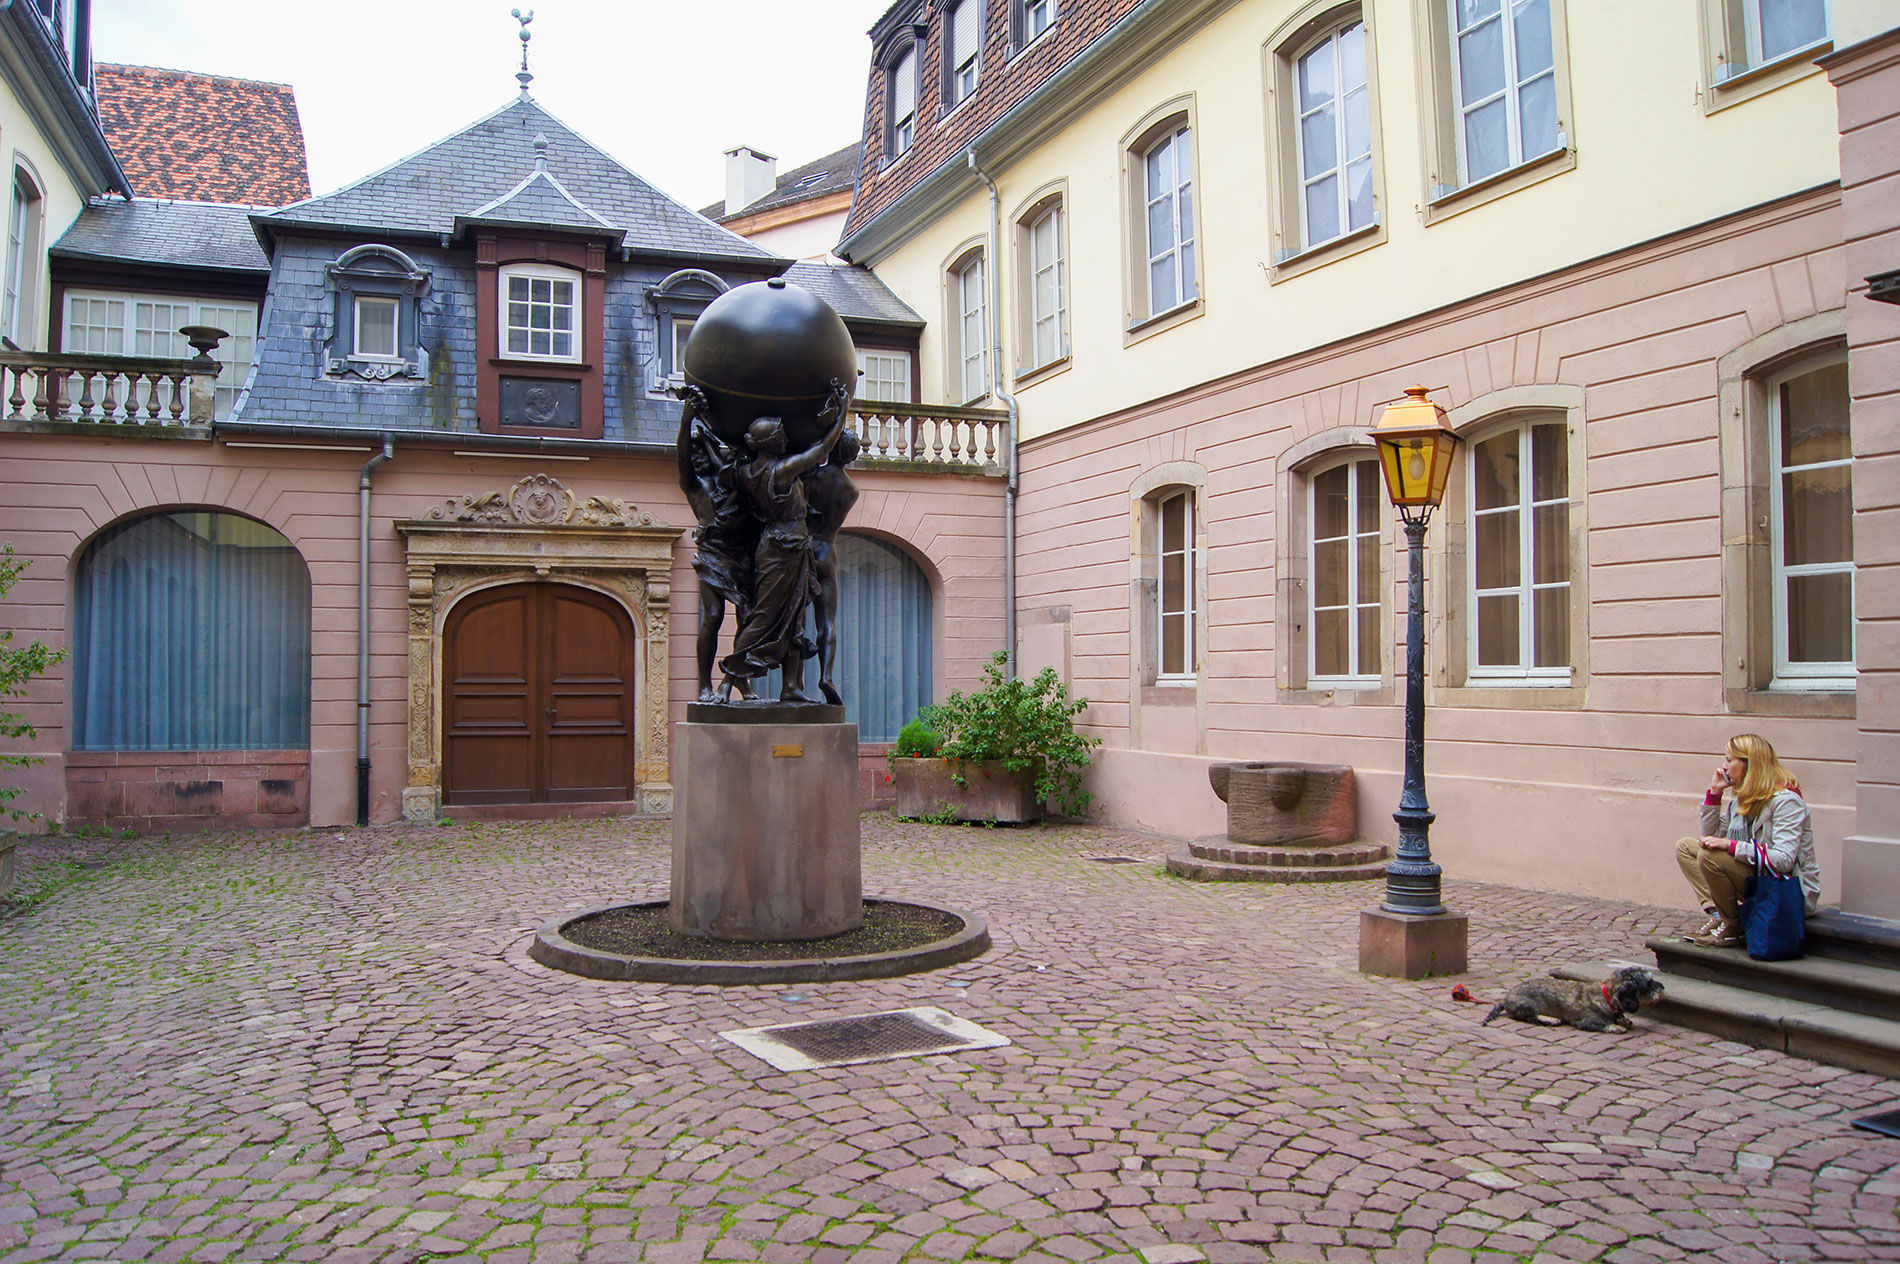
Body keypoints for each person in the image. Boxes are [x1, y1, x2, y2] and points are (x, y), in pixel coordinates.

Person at [716, 380, 852, 701]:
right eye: (780, 435)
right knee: (764, 617)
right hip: (785, 547)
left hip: (784, 546)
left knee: (794, 617)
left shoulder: (746, 471)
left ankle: (791, 687)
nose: (786, 437)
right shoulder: (783, 470)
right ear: (769, 443)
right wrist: (843, 410)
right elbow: (823, 449)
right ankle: (727, 682)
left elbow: (724, 474)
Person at [1674, 733, 1819, 947]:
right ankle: (1718, 915)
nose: (1723, 767)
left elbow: (1784, 860)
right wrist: (1715, 793)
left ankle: (1734, 927)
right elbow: (1709, 837)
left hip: (1785, 889)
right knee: (1686, 847)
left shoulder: (1786, 801)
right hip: (1755, 877)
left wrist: (1731, 846)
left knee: (1710, 857)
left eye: (1729, 760)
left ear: (1748, 764)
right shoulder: (1741, 799)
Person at [675, 386, 758, 702]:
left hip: (743, 555)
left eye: (701, 453)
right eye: (694, 455)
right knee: (712, 616)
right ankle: (704, 684)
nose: (696, 458)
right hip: (712, 556)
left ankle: (737, 679)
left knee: (747, 618)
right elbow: (683, 456)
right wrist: (687, 420)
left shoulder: (731, 482)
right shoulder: (695, 487)